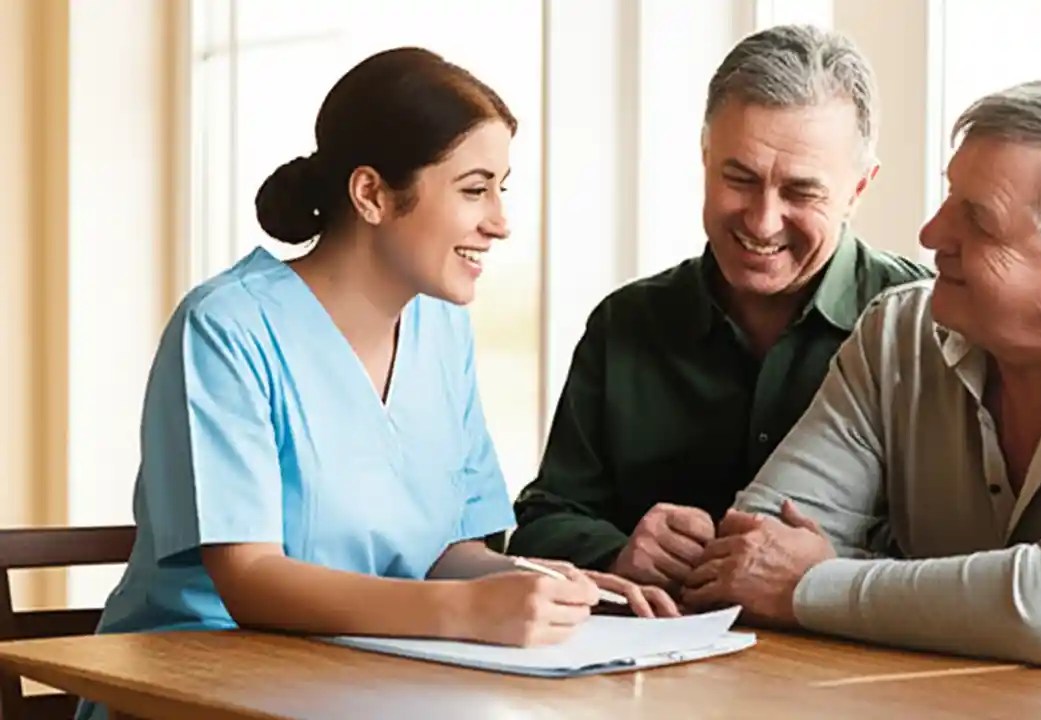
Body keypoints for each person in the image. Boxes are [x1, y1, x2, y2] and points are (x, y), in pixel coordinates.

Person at [78, 46, 676, 720]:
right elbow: (249, 579)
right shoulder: (226, 328)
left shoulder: (441, 333)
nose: (500, 221)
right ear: (371, 194)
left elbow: (450, 553)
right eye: (475, 189)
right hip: (196, 688)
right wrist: (466, 609)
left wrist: (541, 583)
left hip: (366, 679)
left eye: (502, 189)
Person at [682, 76, 1041, 679]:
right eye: (948, 198)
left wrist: (812, 585)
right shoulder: (898, 334)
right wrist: (996, 607)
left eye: (978, 220)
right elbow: (748, 558)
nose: (931, 236)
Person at [506, 25, 931, 588]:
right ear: (704, 157)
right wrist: (617, 552)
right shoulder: (626, 323)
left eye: (801, 192)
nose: (761, 220)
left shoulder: (925, 327)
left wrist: (835, 573)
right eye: (739, 178)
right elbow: (540, 523)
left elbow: (970, 552)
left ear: (858, 188)